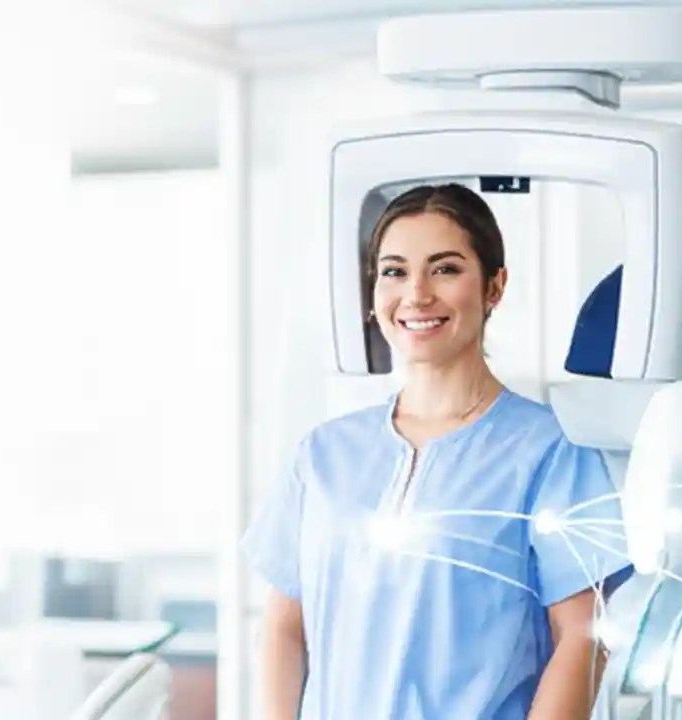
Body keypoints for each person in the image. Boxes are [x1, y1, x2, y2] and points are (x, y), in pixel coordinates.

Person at [242, 183, 627, 719]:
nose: (417, 293)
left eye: (445, 269)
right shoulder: (324, 455)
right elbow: (285, 627)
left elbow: (584, 638)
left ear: (495, 286)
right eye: (395, 271)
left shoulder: (550, 452)